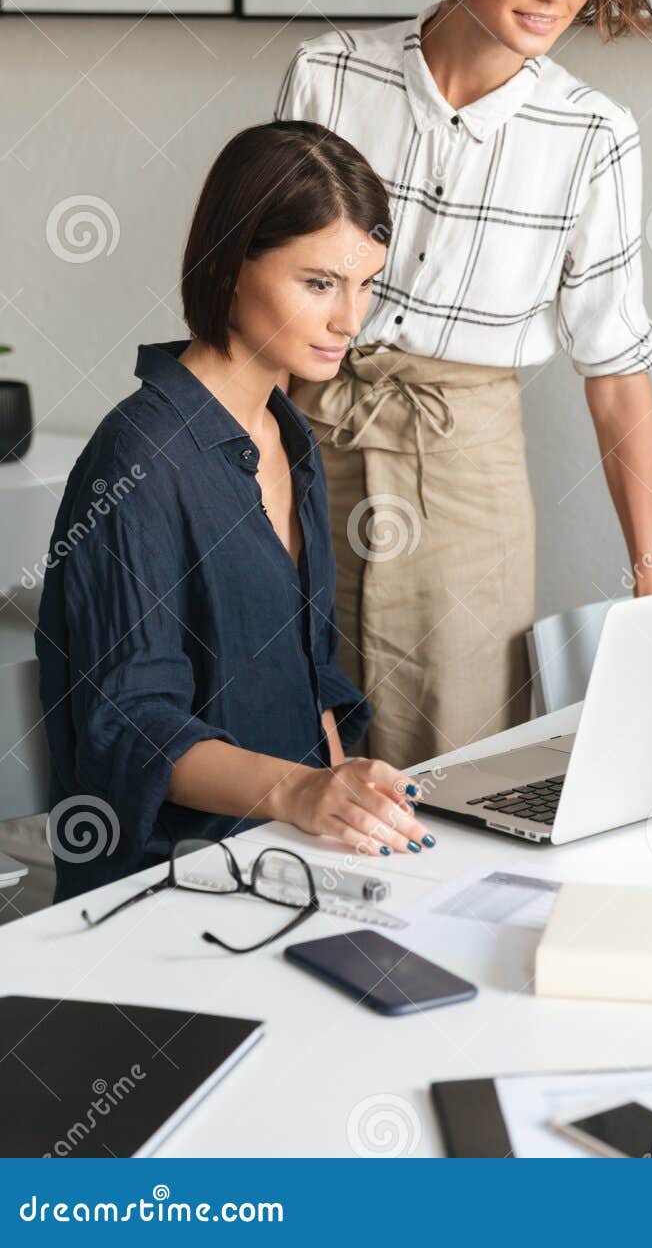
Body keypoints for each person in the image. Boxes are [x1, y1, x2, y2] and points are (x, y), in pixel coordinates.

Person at [274, 0, 652, 773]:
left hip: (470, 467)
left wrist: (651, 574)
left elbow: (613, 364)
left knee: (455, 759)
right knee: (286, 720)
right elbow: (261, 303)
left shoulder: (592, 135)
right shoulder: (328, 77)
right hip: (302, 443)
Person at [35, 121, 435, 905]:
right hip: (170, 887)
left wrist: (342, 804)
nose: (349, 321)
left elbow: (313, 679)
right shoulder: (139, 460)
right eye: (319, 283)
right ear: (229, 265)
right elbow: (134, 726)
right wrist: (297, 795)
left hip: (289, 861)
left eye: (365, 284)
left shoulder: (290, 436)